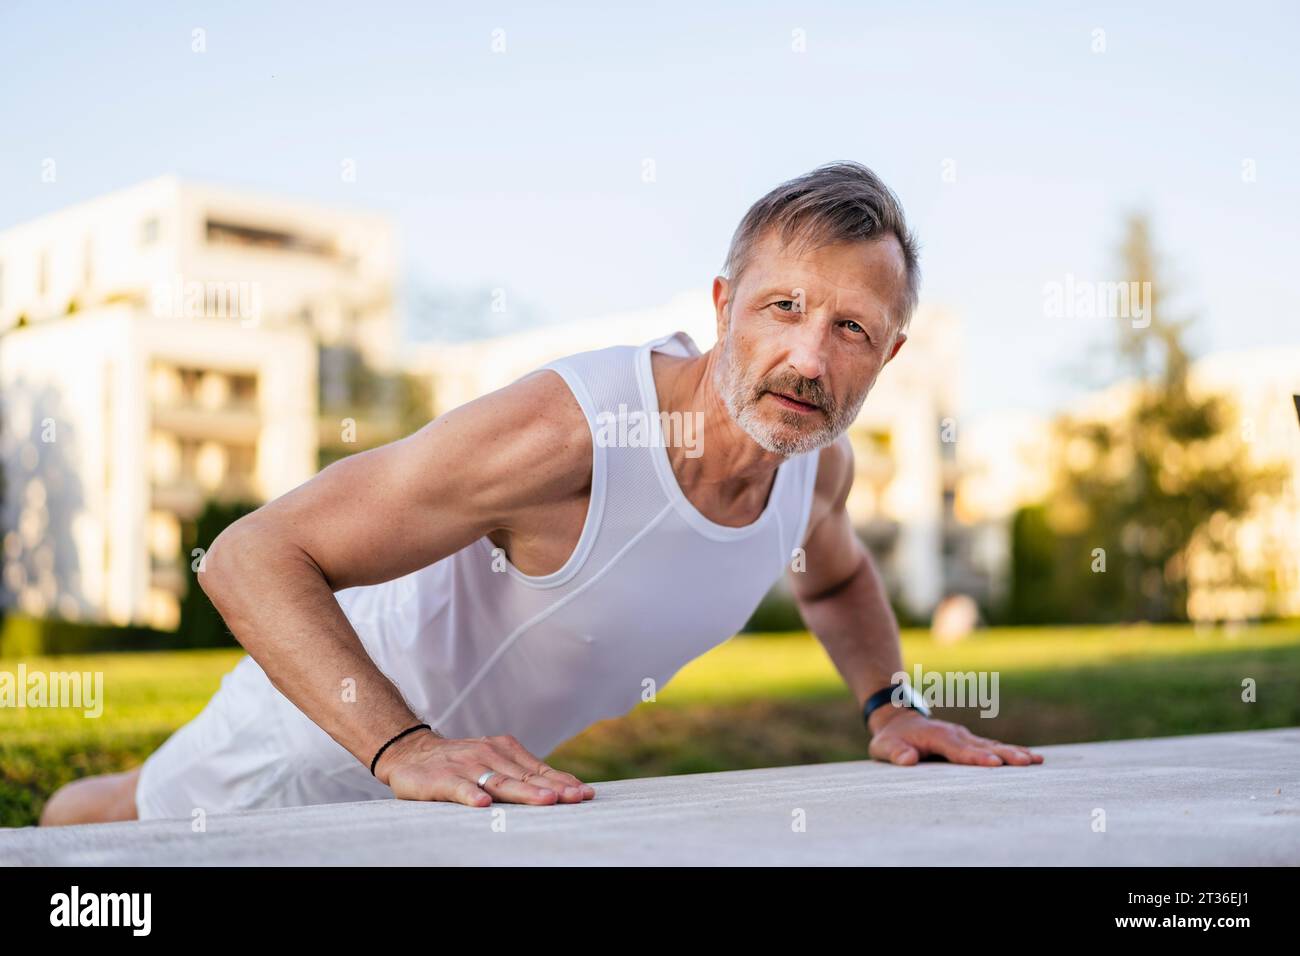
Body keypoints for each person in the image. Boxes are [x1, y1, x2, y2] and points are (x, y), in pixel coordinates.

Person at [41, 161, 1042, 826]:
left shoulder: (814, 466)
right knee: (122, 828)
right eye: (783, 306)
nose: (808, 355)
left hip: (465, 785)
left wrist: (889, 704)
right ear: (722, 304)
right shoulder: (571, 431)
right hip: (312, 735)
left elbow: (836, 579)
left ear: (891, 353)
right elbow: (250, 554)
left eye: (851, 329)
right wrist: (402, 745)